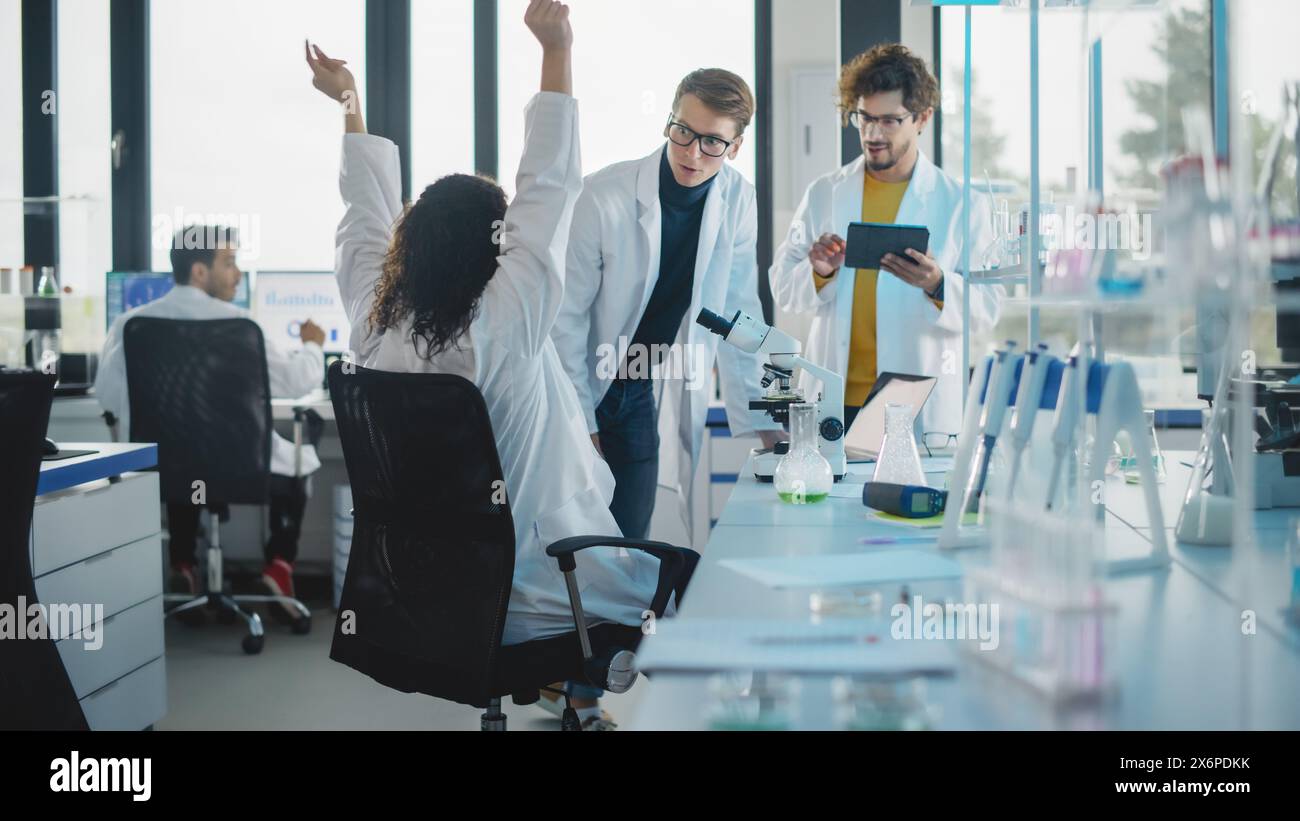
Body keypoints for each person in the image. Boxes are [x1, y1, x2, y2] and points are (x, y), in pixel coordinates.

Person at [308, 0, 683, 731]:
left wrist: (351, 104)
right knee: (682, 580)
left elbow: (363, 217)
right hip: (529, 597)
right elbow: (551, 186)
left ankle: (570, 697)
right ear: (495, 247)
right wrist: (557, 49)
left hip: (422, 598)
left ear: (409, 248)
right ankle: (581, 697)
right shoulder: (503, 323)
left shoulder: (373, 323)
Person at [553, 68, 784, 545]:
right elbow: (566, 322)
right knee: (573, 533)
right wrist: (581, 424)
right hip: (577, 381)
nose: (692, 153)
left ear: (735, 147)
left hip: (636, 388)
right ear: (668, 122)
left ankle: (622, 623)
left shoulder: (738, 200)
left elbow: (739, 313)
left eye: (712, 142)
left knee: (630, 534)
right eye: (683, 131)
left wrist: (766, 419)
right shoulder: (603, 196)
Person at [95, 225, 326, 622]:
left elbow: (108, 397)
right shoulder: (239, 326)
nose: (238, 275)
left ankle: (183, 565)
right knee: (311, 429)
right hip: (243, 470)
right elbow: (300, 380)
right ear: (200, 272)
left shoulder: (130, 325)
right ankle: (279, 569)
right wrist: (312, 344)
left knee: (186, 453)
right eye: (230, 263)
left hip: (163, 472)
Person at [769, 43, 1002, 437]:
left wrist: (937, 283)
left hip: (913, 404)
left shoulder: (963, 205)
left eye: (890, 121)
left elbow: (987, 310)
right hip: (835, 399)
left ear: (922, 117)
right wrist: (820, 272)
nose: (873, 133)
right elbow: (782, 288)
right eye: (864, 118)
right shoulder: (825, 193)